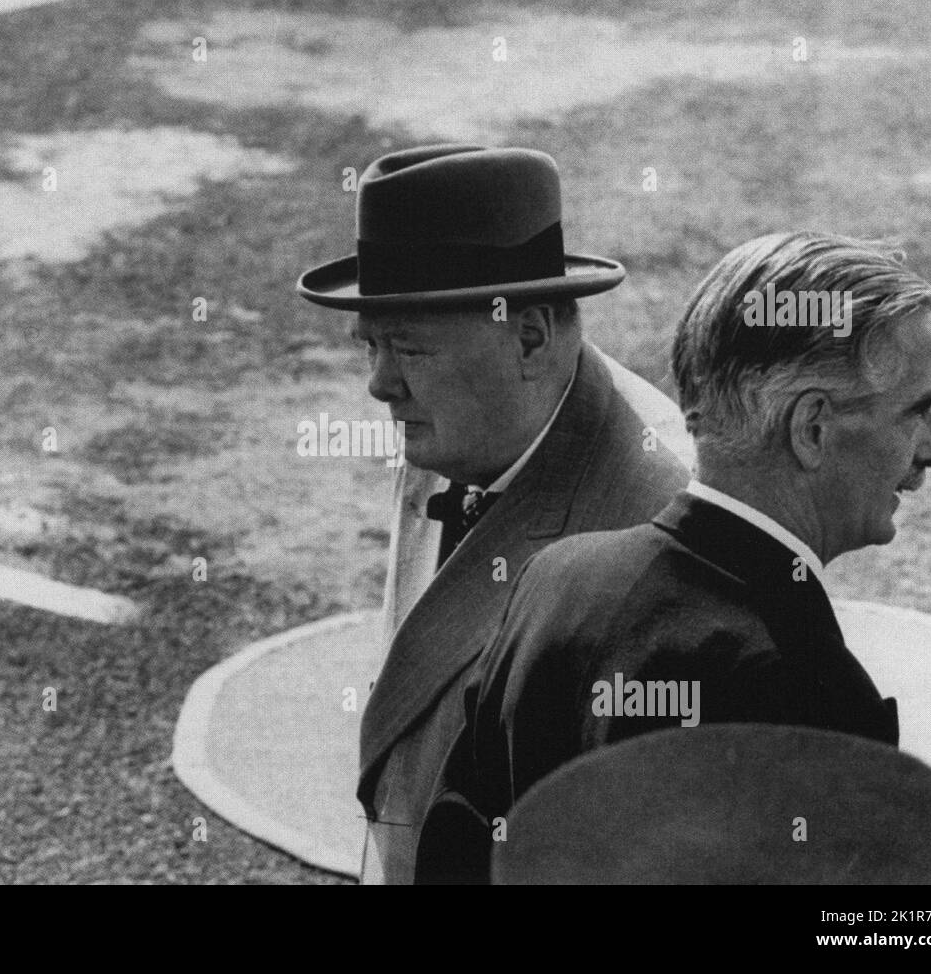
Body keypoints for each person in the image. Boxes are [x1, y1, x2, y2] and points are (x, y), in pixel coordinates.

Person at [416, 231, 931, 883]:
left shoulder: (556, 578)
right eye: (918, 411)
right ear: (812, 428)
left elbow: (453, 843)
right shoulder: (808, 688)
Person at [296, 144, 690, 884]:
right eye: (371, 345)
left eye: (408, 347)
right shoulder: (452, 427)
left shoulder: (649, 521)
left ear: (531, 337)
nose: (380, 385)